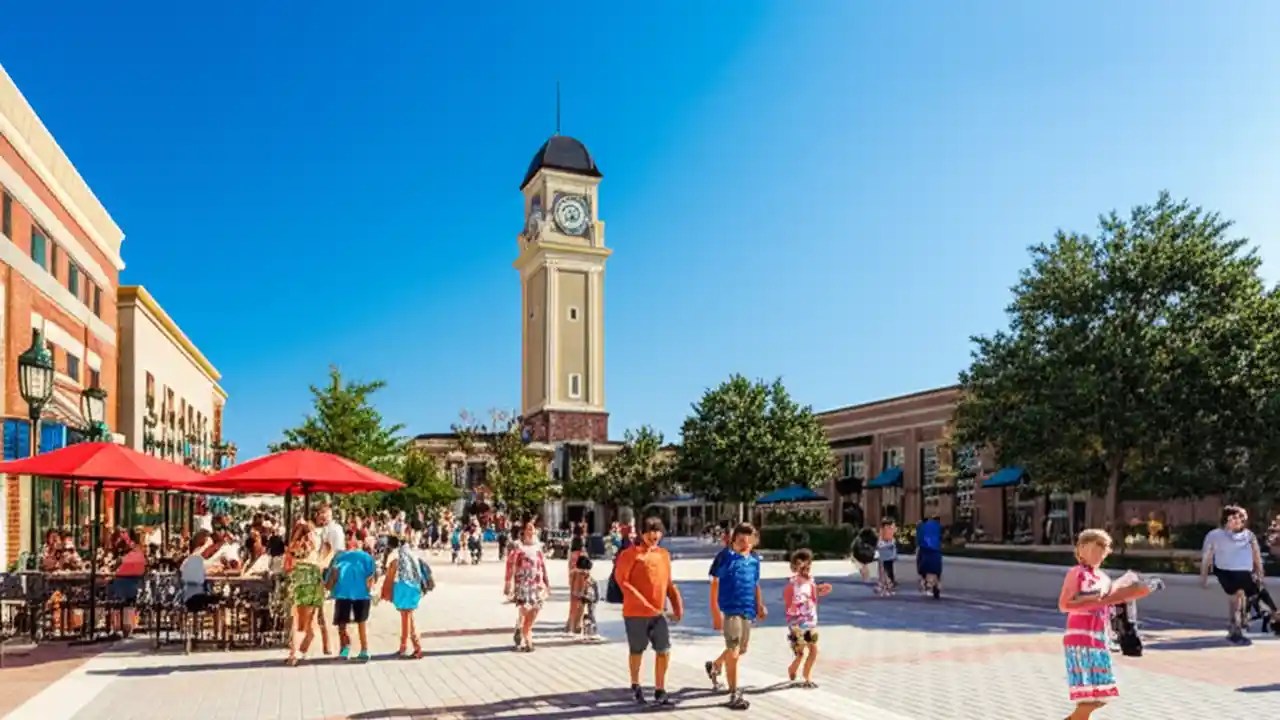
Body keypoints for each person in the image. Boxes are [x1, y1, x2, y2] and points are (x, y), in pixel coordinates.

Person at [1058, 529, 1151, 719]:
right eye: (1092, 550)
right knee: (1089, 697)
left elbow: (1113, 603)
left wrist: (1133, 591)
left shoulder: (1104, 578)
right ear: (1081, 550)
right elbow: (1064, 605)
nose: (1097, 555)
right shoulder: (1076, 573)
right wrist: (1097, 601)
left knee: (1101, 694)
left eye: (1101, 551)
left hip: (1100, 638)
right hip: (1079, 638)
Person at [614, 517, 683, 706]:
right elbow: (623, 581)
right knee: (637, 650)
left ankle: (660, 689)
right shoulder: (630, 554)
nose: (654, 535)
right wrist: (643, 603)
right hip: (635, 613)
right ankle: (635, 685)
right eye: (650, 531)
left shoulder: (663, 554)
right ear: (642, 534)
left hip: (658, 613)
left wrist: (677, 606)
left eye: (657, 531)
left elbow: (668, 583)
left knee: (664, 650)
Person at [705, 522, 765, 711]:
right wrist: (715, 612)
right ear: (734, 540)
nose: (745, 544)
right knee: (734, 651)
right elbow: (714, 583)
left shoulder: (754, 561)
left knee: (740, 650)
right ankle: (733, 693)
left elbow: (755, 584)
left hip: (747, 609)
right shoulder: (725, 557)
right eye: (741, 540)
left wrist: (760, 604)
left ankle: (715, 665)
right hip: (730, 610)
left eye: (749, 541)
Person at [1200, 505, 1267, 643]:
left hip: (1244, 572)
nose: (1238, 520)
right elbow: (1207, 557)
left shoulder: (1248, 535)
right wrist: (1204, 576)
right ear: (1226, 520)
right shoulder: (1215, 535)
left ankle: (1236, 625)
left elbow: (1256, 555)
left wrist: (1260, 572)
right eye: (1234, 517)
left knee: (1239, 597)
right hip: (1225, 571)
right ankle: (1237, 625)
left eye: (1239, 518)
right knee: (1237, 596)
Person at [784, 548, 832, 687]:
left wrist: (820, 590)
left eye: (809, 565)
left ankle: (807, 677)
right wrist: (793, 607)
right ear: (795, 568)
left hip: (810, 622)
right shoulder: (793, 584)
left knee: (813, 649)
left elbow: (811, 595)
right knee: (800, 651)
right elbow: (791, 599)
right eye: (803, 566)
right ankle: (793, 668)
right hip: (796, 623)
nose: (807, 569)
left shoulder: (810, 582)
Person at [285, 520, 326, 666]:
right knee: (306, 622)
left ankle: (296, 652)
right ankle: (297, 651)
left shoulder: (292, 548)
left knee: (298, 621)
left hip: (297, 586)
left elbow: (287, 567)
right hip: (313, 586)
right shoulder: (314, 547)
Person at [504, 521, 550, 652]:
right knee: (525, 608)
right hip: (523, 584)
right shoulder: (518, 547)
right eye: (529, 529)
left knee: (535, 609)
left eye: (533, 529)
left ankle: (524, 629)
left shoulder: (538, 548)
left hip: (537, 584)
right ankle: (526, 636)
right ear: (523, 531)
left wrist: (547, 583)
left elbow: (543, 566)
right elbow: (510, 566)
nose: (531, 531)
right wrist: (508, 584)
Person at [327, 540, 376, 662]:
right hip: (362, 593)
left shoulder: (338, 557)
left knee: (342, 622)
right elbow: (372, 577)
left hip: (342, 592)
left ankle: (344, 649)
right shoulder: (367, 557)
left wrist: (328, 587)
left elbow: (330, 575)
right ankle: (364, 650)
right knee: (362, 622)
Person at [381, 535, 428, 658]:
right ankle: (414, 647)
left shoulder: (397, 557)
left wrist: (386, 591)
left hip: (403, 589)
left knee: (405, 618)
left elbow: (391, 575)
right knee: (409, 617)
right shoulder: (412, 554)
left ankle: (407, 647)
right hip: (414, 588)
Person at [311, 504, 345, 656]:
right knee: (322, 609)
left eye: (320, 514)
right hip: (329, 569)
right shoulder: (329, 529)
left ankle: (330, 643)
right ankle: (328, 644)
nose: (318, 517)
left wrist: (322, 567)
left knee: (325, 608)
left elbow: (333, 551)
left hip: (331, 570)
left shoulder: (333, 530)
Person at [179, 530, 219, 613]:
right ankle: (219, 624)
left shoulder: (188, 561)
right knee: (220, 597)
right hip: (196, 599)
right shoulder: (199, 561)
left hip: (185, 598)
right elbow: (213, 570)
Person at [916, 513, 944, 598]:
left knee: (923, 568)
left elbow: (919, 539)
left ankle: (925, 581)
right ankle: (935, 585)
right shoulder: (938, 527)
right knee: (936, 570)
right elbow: (941, 538)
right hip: (935, 551)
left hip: (925, 550)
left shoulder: (922, 526)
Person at [876, 519, 898, 595]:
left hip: (885, 556)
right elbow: (890, 544)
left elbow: (880, 544)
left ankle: (886, 587)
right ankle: (887, 587)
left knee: (885, 572)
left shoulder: (884, 532)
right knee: (887, 572)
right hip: (887, 556)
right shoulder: (887, 532)